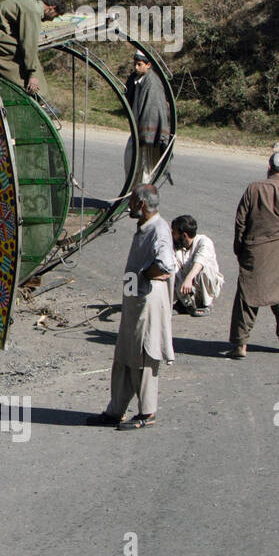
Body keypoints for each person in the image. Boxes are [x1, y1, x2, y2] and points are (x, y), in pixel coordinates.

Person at [88, 184, 175, 430]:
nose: (129, 205)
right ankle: (115, 410)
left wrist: (144, 275)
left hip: (146, 304)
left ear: (142, 204)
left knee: (143, 356)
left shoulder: (159, 229)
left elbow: (166, 266)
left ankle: (147, 412)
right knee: (125, 355)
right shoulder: (145, 227)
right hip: (134, 302)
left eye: (133, 201)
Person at [228, 143, 279, 359]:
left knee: (246, 297)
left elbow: (240, 222)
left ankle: (240, 345)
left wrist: (240, 249)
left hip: (253, 251)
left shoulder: (253, 189)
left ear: (269, 167)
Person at [124, 50, 171, 185]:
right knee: (131, 166)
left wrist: (146, 134)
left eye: (139, 64)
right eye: (135, 64)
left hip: (149, 138)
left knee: (145, 171)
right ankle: (132, 196)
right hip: (137, 132)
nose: (136, 67)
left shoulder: (152, 83)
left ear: (148, 65)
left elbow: (154, 112)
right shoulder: (135, 80)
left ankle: (142, 197)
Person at [171, 215, 223, 317]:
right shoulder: (176, 245)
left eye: (174, 233)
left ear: (184, 235)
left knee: (204, 269)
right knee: (170, 266)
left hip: (200, 285)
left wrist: (189, 278)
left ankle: (206, 304)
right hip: (185, 289)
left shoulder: (204, 242)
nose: (172, 235)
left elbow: (200, 262)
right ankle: (184, 304)